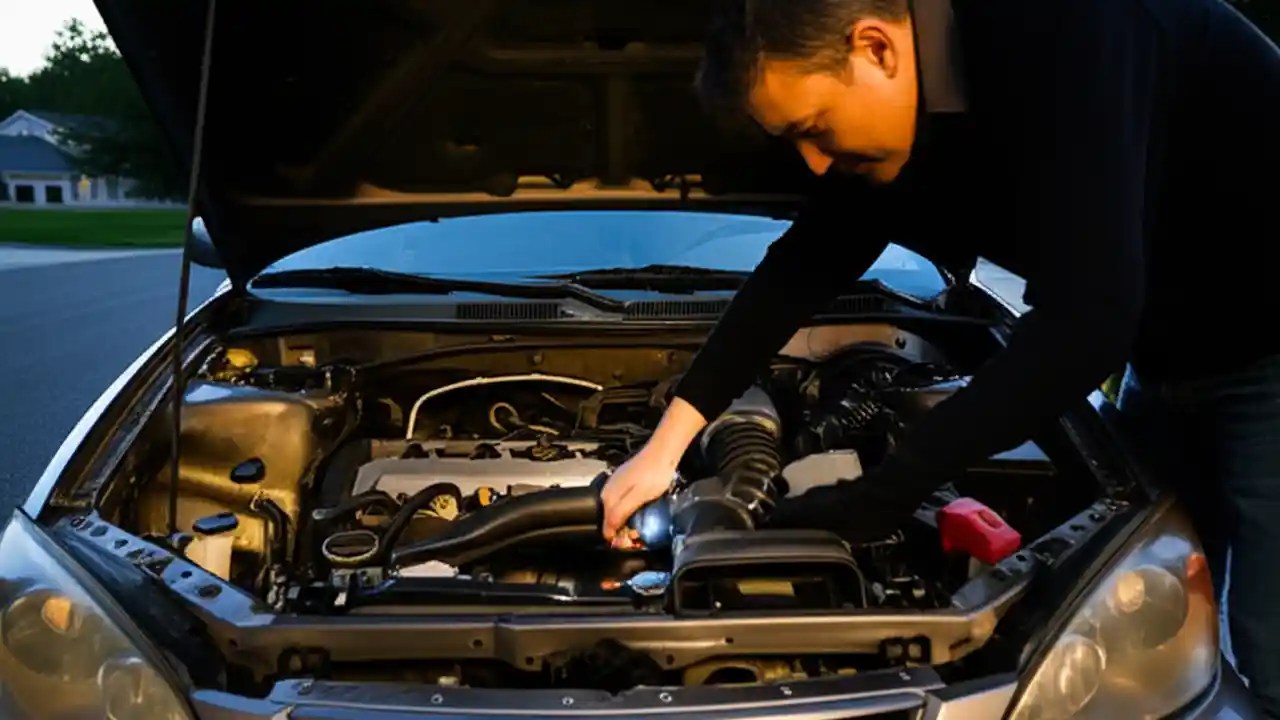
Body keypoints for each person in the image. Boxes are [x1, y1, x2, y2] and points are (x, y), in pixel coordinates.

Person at [598, 0, 1280, 712]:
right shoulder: (909, 111)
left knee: (1264, 650)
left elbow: (1088, 322)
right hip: (1167, 361)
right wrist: (667, 445)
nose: (816, 162)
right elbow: (807, 261)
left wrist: (884, 494)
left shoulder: (1069, 31)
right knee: (1147, 621)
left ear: (877, 49)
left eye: (814, 130)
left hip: (1267, 353)